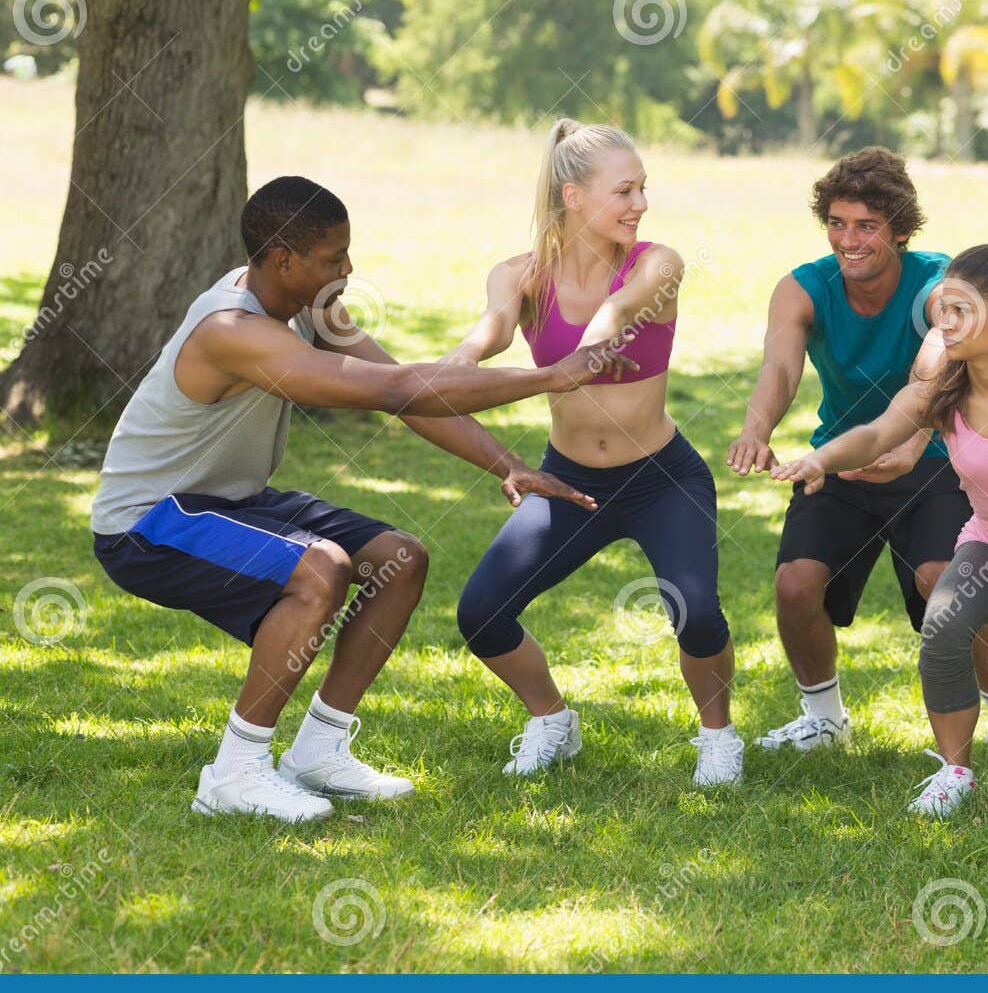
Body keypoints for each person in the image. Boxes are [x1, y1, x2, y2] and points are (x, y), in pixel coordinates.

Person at [91, 176, 631, 823]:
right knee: (321, 568)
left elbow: (406, 391)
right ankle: (233, 772)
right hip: (145, 522)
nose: (347, 269)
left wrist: (507, 464)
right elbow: (397, 389)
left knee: (399, 559)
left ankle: (318, 749)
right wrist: (548, 377)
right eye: (331, 257)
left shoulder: (305, 306)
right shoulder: (232, 329)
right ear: (283, 259)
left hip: (227, 500)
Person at [772, 236, 988, 820]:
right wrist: (821, 459)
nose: (944, 323)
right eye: (944, 309)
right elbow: (877, 433)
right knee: (943, 624)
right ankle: (954, 770)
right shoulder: (944, 390)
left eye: (962, 310)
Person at [448, 119, 743, 787]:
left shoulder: (657, 262)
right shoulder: (519, 276)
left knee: (696, 611)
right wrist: (456, 363)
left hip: (661, 477)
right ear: (573, 196)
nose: (641, 204)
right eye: (625, 191)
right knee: (481, 612)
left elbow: (622, 310)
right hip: (568, 483)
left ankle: (718, 734)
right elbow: (490, 332)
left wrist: (591, 341)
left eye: (643, 189)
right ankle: (551, 717)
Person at [727, 148, 988, 766]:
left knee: (945, 582)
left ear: (899, 228)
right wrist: (757, 428)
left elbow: (942, 353)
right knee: (795, 584)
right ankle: (822, 717)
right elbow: (781, 364)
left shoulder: (938, 280)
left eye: (866, 225)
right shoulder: (804, 286)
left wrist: (914, 437)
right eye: (837, 223)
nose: (849, 239)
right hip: (840, 461)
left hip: (932, 465)